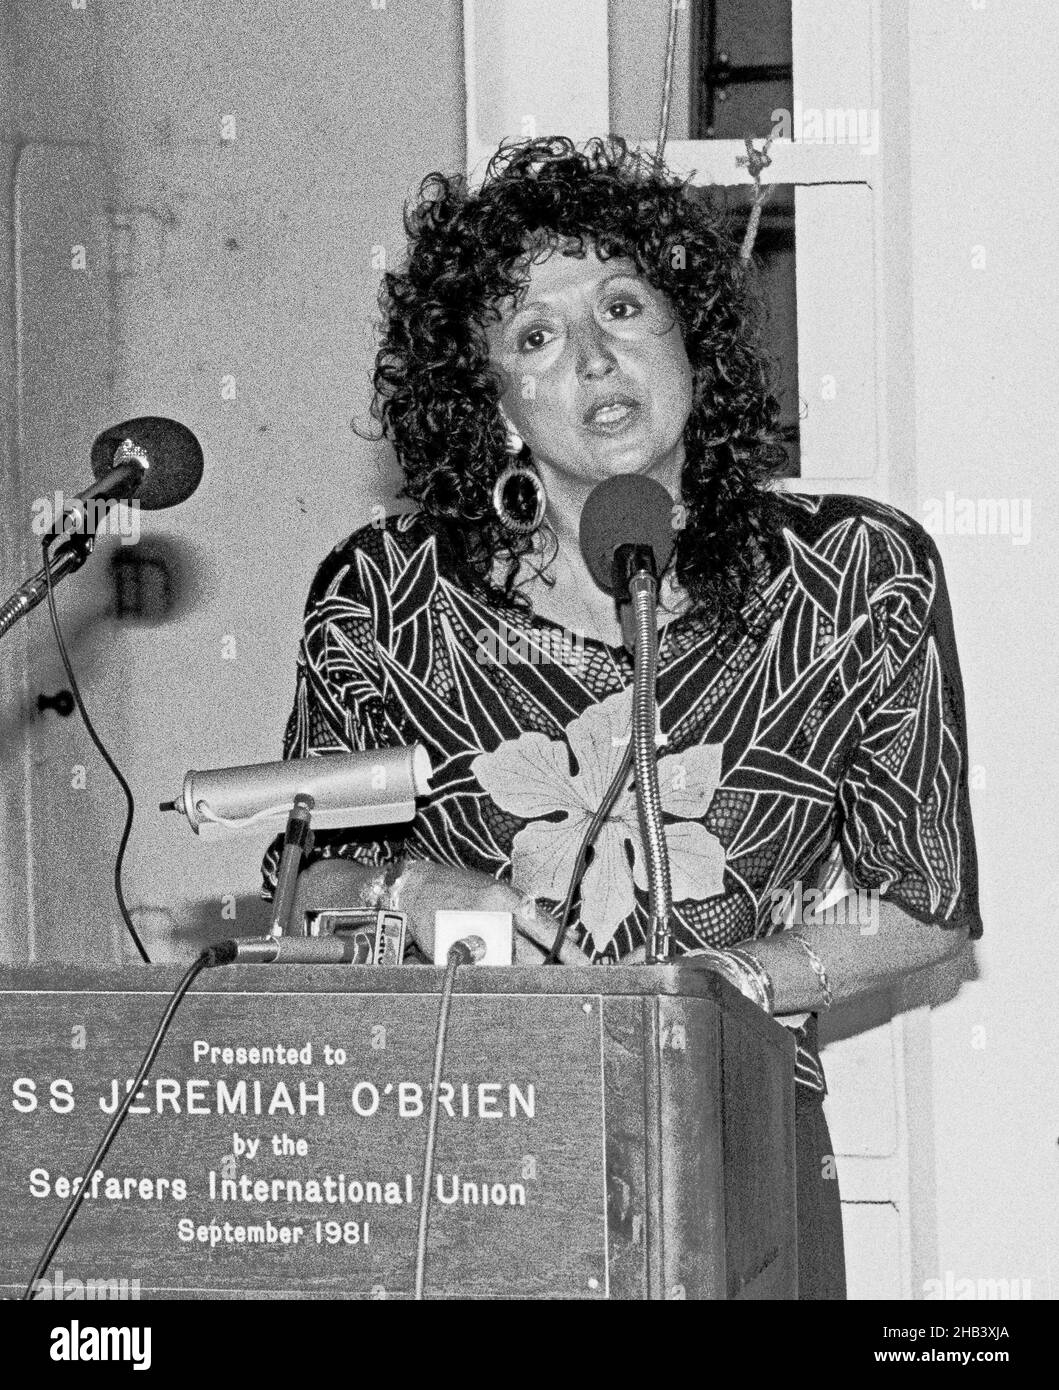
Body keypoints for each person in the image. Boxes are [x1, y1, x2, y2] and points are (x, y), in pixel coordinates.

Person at [261, 136, 982, 1299]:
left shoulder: (853, 573)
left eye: (624, 304)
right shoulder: (385, 598)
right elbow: (302, 880)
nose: (595, 353)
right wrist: (413, 889)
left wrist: (716, 989)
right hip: (474, 1147)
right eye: (536, 336)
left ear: (687, 333)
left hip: (737, 1136)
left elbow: (927, 902)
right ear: (492, 400)